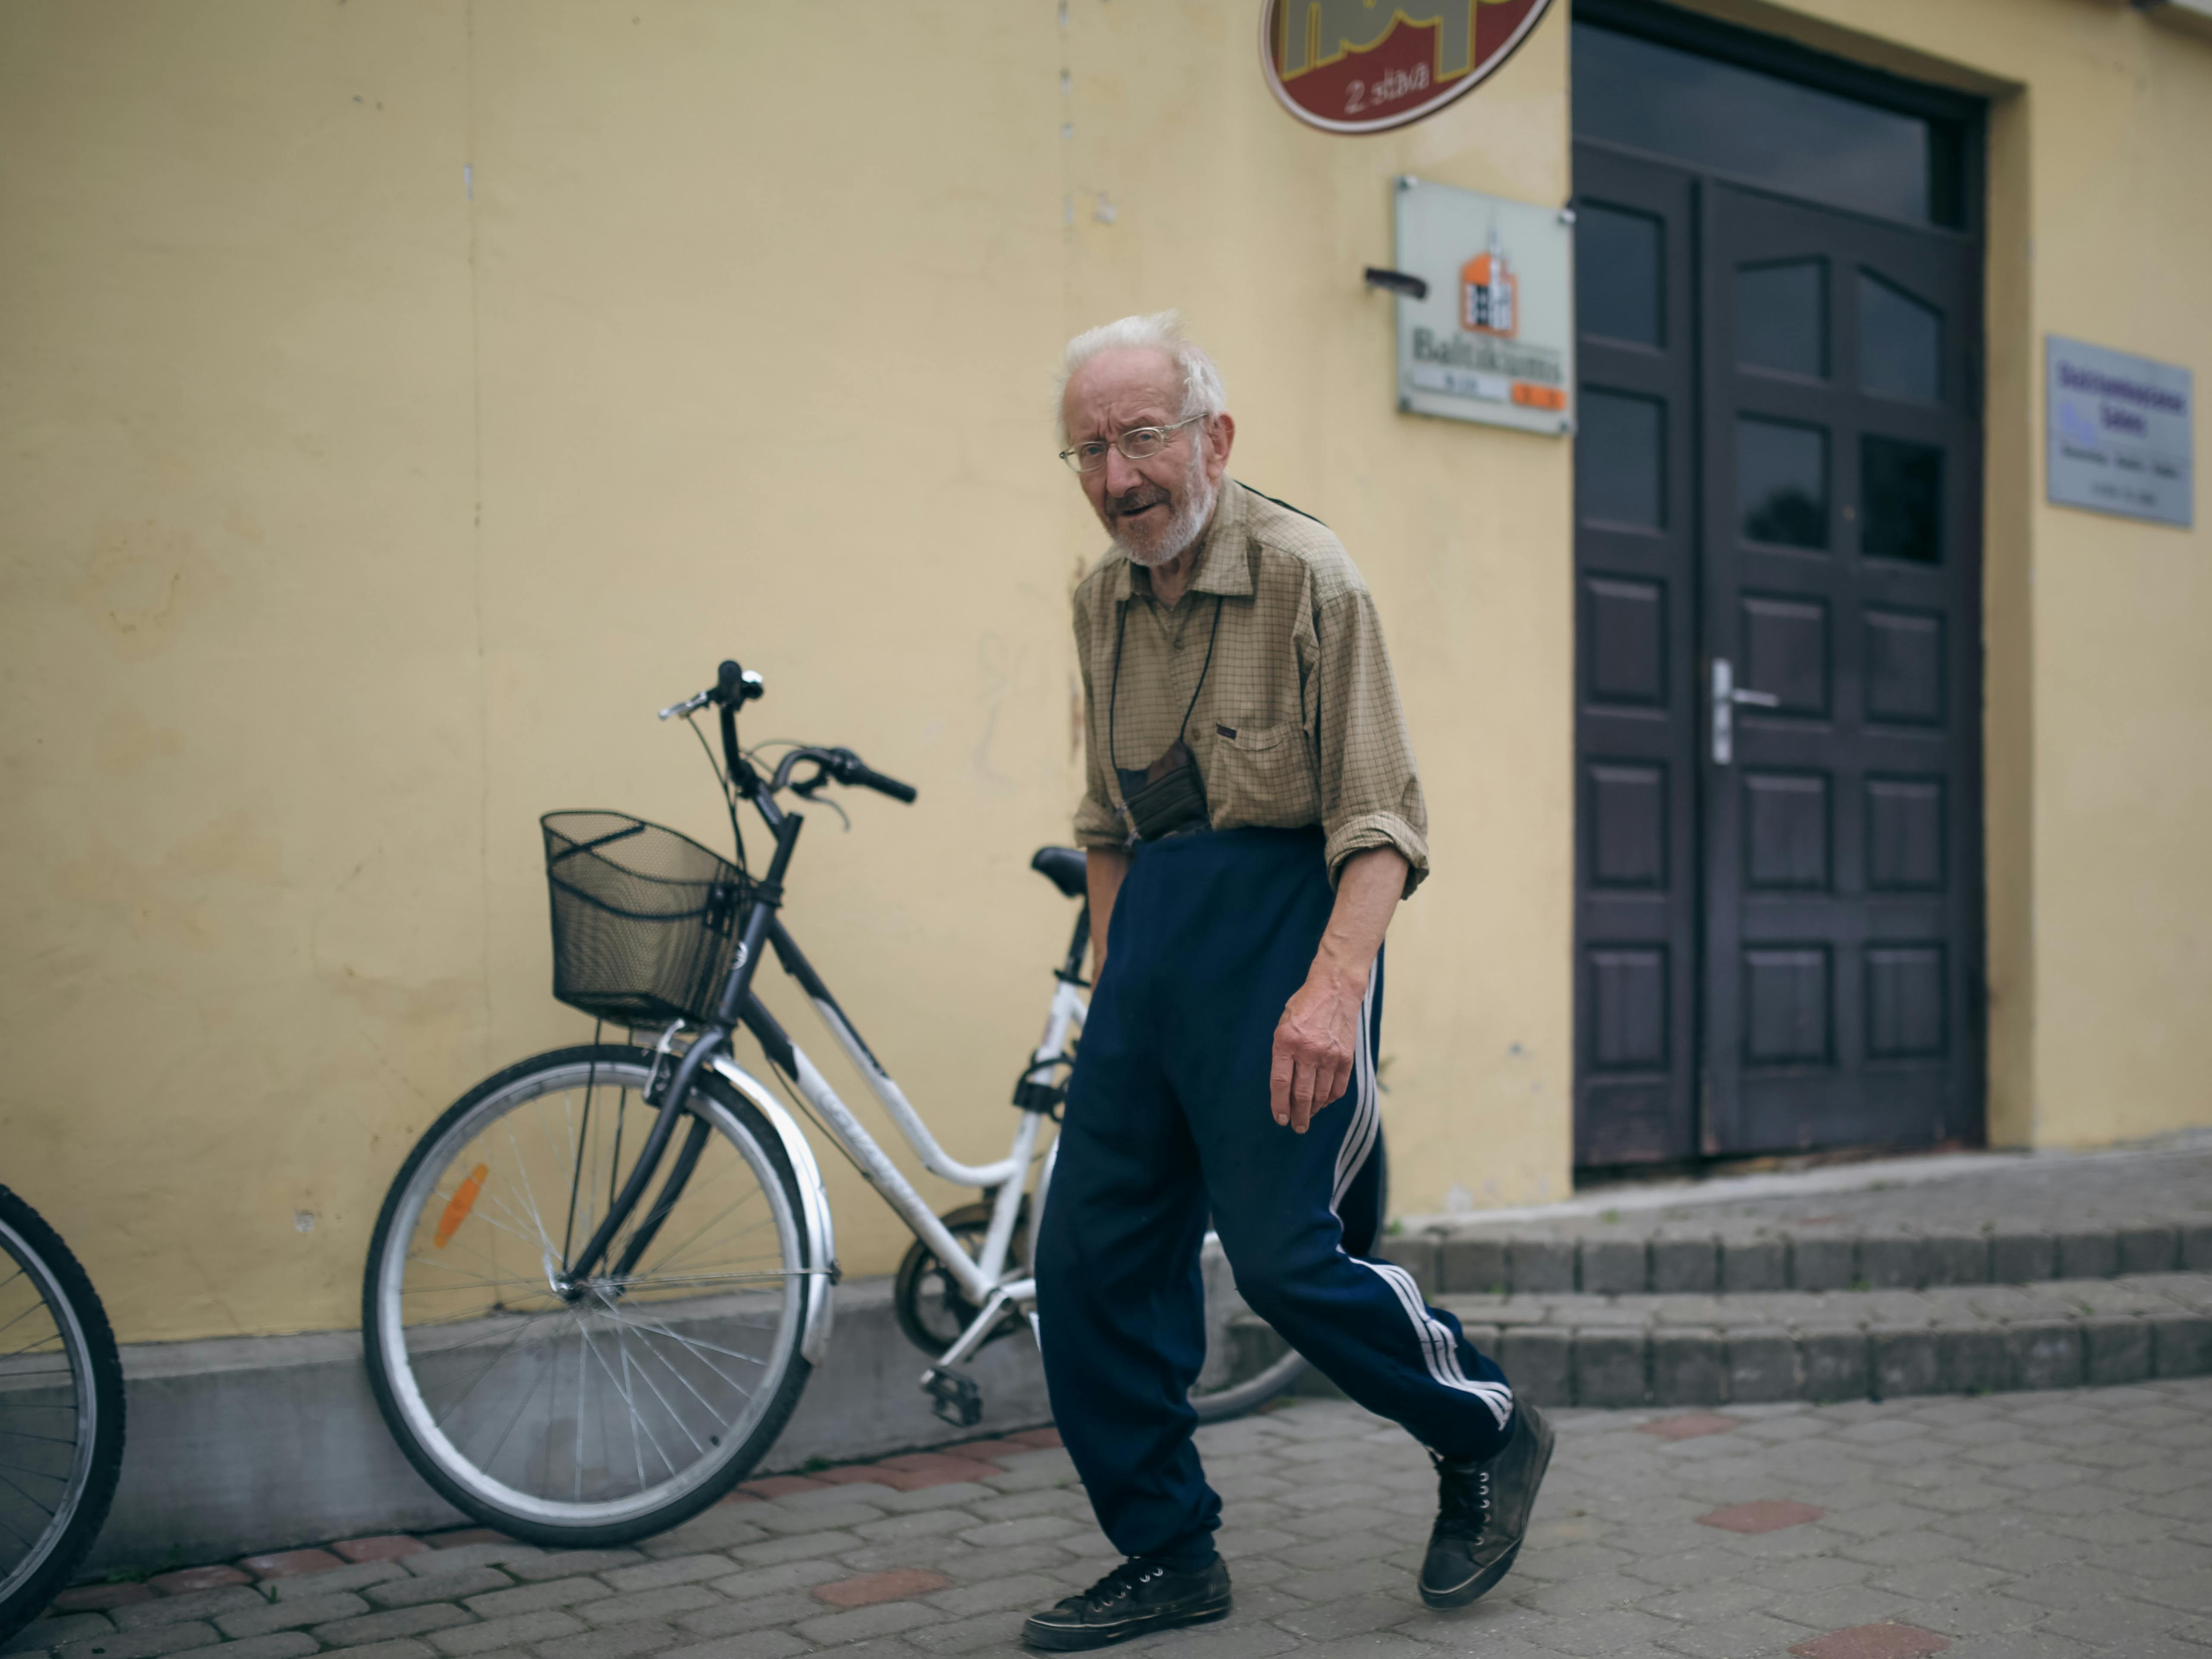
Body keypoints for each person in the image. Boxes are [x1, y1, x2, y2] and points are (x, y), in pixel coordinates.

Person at [1022, 311, 1553, 1652]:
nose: (1117, 474)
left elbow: (1382, 823)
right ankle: (1167, 1552)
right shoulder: (1098, 597)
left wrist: (1331, 993)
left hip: (1288, 937)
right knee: (1086, 1261)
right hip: (1151, 940)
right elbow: (1102, 820)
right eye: (1089, 448)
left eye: (1141, 436)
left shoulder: (1313, 577)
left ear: (1214, 436)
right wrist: (1109, 984)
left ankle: (1484, 1429)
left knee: (1287, 1263)